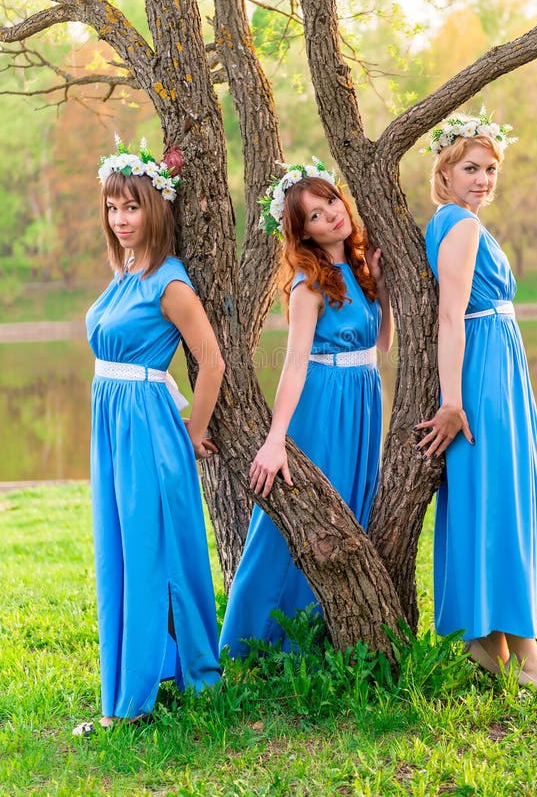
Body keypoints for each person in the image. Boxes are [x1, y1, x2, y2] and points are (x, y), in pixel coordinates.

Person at [415, 111, 537, 688]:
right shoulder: (458, 225)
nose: (482, 178)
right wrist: (453, 400)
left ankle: (492, 640)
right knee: (500, 499)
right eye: (470, 168)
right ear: (446, 172)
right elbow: (451, 315)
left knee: (499, 496)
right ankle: (523, 648)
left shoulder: (460, 221)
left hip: (501, 363)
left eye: (489, 169)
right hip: (481, 370)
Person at [74, 137, 224, 735]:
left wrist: (194, 429)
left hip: (146, 426)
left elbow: (210, 361)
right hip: (112, 423)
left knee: (146, 554)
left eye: (131, 207)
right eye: (113, 208)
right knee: (119, 551)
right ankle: (148, 673)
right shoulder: (125, 271)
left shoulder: (170, 283)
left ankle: (132, 702)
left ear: (156, 210)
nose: (121, 219)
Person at [219, 160, 394, 657]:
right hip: (324, 404)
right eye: (314, 216)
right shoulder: (307, 282)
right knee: (303, 521)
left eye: (331, 203)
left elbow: (379, 345)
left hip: (363, 397)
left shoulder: (357, 269)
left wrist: (382, 289)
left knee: (351, 512)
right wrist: (275, 442)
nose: (330, 217)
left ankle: (327, 636)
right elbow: (294, 364)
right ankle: (254, 644)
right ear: (303, 233)